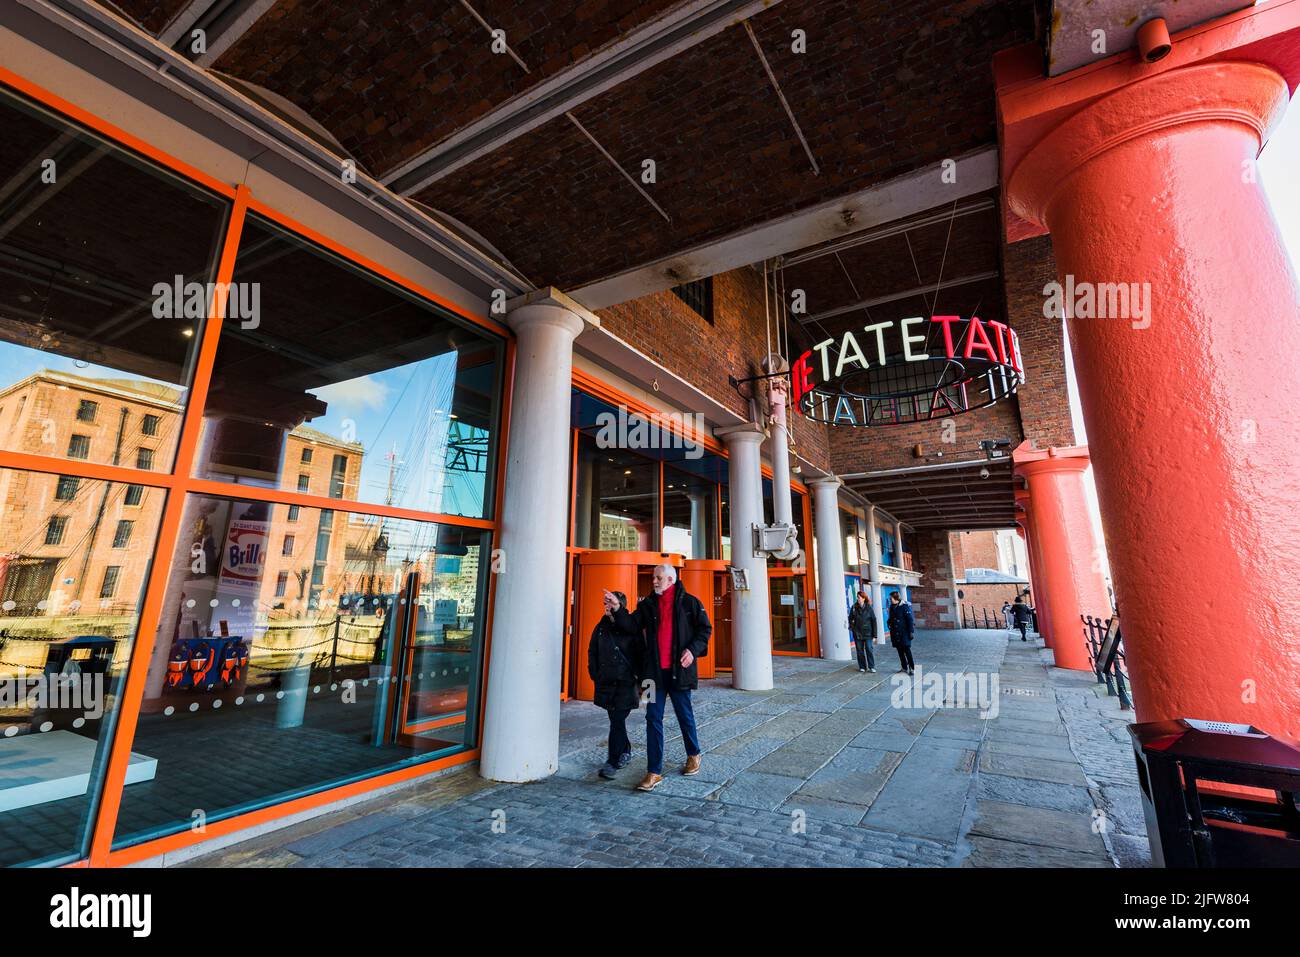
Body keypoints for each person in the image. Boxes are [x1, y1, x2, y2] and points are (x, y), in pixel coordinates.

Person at [605, 564, 711, 792]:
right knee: (653, 718)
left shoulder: (690, 603)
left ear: (671, 580)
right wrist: (617, 609)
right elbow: (632, 625)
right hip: (652, 675)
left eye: (659, 578)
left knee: (685, 715)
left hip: (679, 674)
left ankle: (693, 754)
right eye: (654, 577)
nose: (654, 581)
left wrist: (692, 651)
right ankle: (654, 771)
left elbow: (705, 631)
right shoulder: (648, 604)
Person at [587, 589, 643, 780]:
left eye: (611, 603)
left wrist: (642, 682)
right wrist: (595, 674)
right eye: (605, 603)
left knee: (617, 720)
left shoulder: (631, 628)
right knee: (616, 721)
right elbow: (592, 650)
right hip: (606, 683)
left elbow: (641, 654)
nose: (607, 607)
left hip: (625, 684)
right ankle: (625, 750)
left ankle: (612, 762)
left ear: (621, 606)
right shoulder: (601, 627)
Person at [848, 588, 877, 673]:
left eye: (859, 597)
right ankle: (862, 666)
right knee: (860, 651)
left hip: (868, 633)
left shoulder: (869, 608)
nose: (858, 599)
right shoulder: (854, 607)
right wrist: (853, 627)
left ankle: (871, 666)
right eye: (857, 597)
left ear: (864, 598)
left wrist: (875, 635)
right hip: (858, 633)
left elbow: (874, 621)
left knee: (869, 649)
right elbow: (850, 619)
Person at [888, 590, 916, 675]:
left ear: (895, 598)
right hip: (895, 633)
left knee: (907, 651)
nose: (890, 599)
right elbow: (891, 618)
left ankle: (912, 668)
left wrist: (911, 632)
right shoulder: (892, 607)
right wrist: (889, 623)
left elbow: (910, 619)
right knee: (900, 651)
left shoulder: (904, 606)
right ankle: (904, 667)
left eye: (891, 598)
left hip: (904, 633)